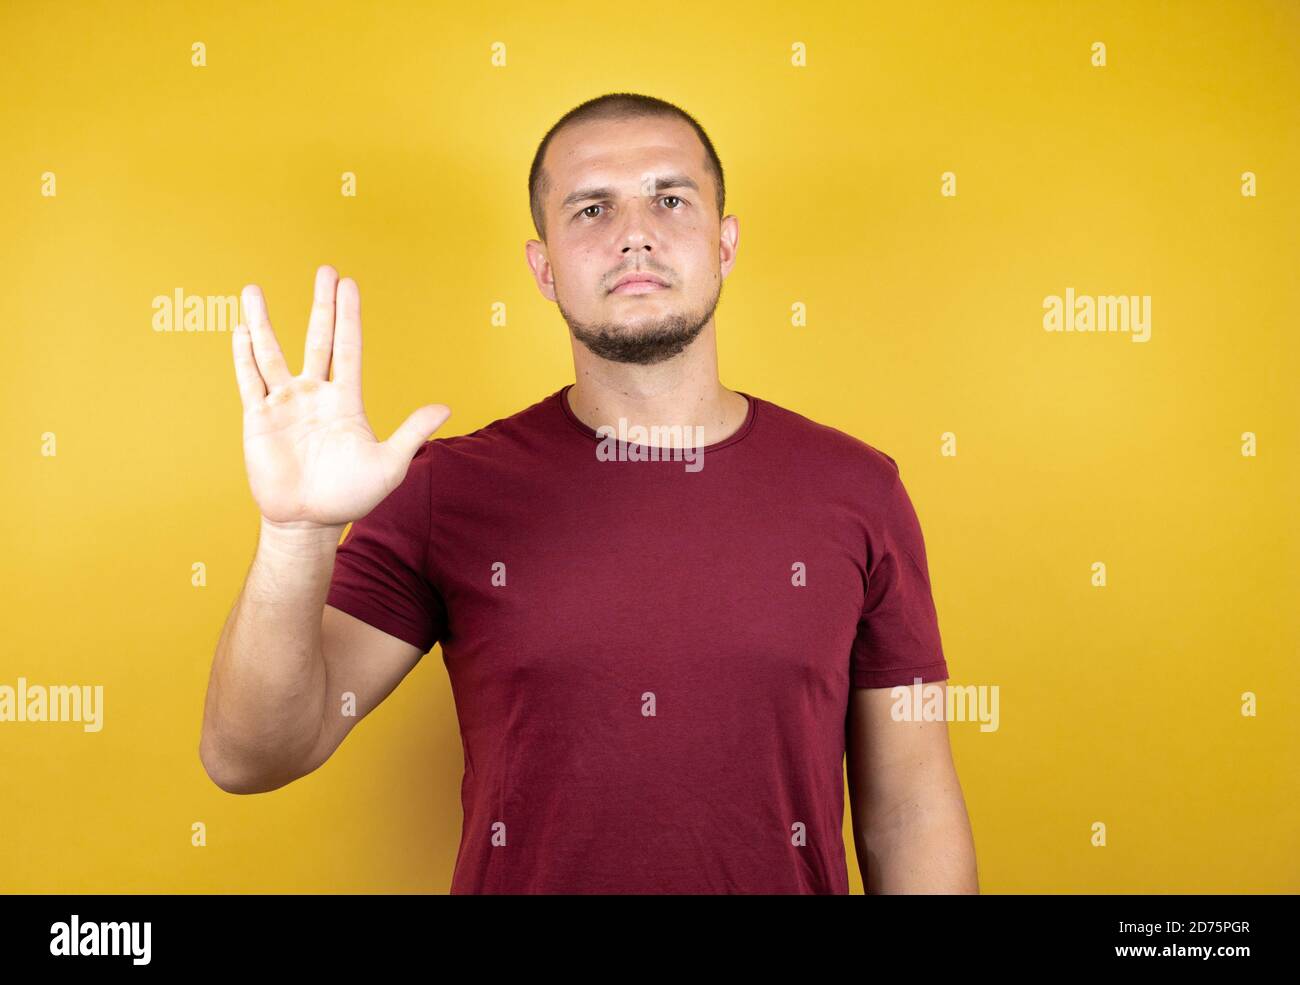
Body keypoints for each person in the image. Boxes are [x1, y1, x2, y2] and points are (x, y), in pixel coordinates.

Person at [199, 92, 979, 894]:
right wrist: (294, 535)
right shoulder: (443, 490)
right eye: (592, 208)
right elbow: (250, 754)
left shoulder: (857, 489)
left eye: (670, 199)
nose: (634, 232)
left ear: (725, 242)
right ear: (543, 267)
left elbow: (910, 811)